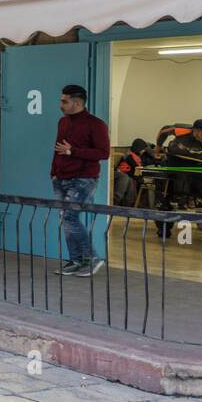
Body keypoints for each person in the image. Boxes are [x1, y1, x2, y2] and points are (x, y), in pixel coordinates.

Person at [50, 84, 109, 276]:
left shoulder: (96, 124)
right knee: (64, 219)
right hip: (61, 177)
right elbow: (58, 148)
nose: (61, 104)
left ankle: (93, 257)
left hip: (84, 178)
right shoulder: (63, 122)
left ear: (76, 103)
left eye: (64, 101)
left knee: (69, 217)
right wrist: (54, 172)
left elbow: (103, 153)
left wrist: (73, 151)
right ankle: (76, 260)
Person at [113, 138, 156, 207]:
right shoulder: (130, 156)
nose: (144, 151)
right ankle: (131, 203)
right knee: (134, 181)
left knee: (137, 180)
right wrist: (142, 179)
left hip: (130, 175)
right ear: (138, 148)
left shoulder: (136, 155)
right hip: (126, 174)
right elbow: (136, 169)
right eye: (143, 149)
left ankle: (131, 204)